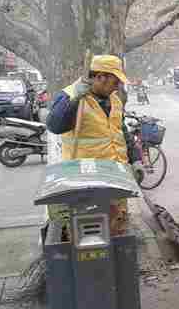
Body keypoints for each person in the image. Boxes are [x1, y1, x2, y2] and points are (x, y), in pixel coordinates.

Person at [46, 54, 139, 236]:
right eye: (115, 80)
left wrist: (135, 159)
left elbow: (121, 133)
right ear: (100, 77)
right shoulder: (71, 96)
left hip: (116, 176)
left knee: (117, 228)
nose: (117, 86)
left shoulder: (115, 100)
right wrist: (73, 101)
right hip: (87, 179)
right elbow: (54, 125)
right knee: (92, 232)